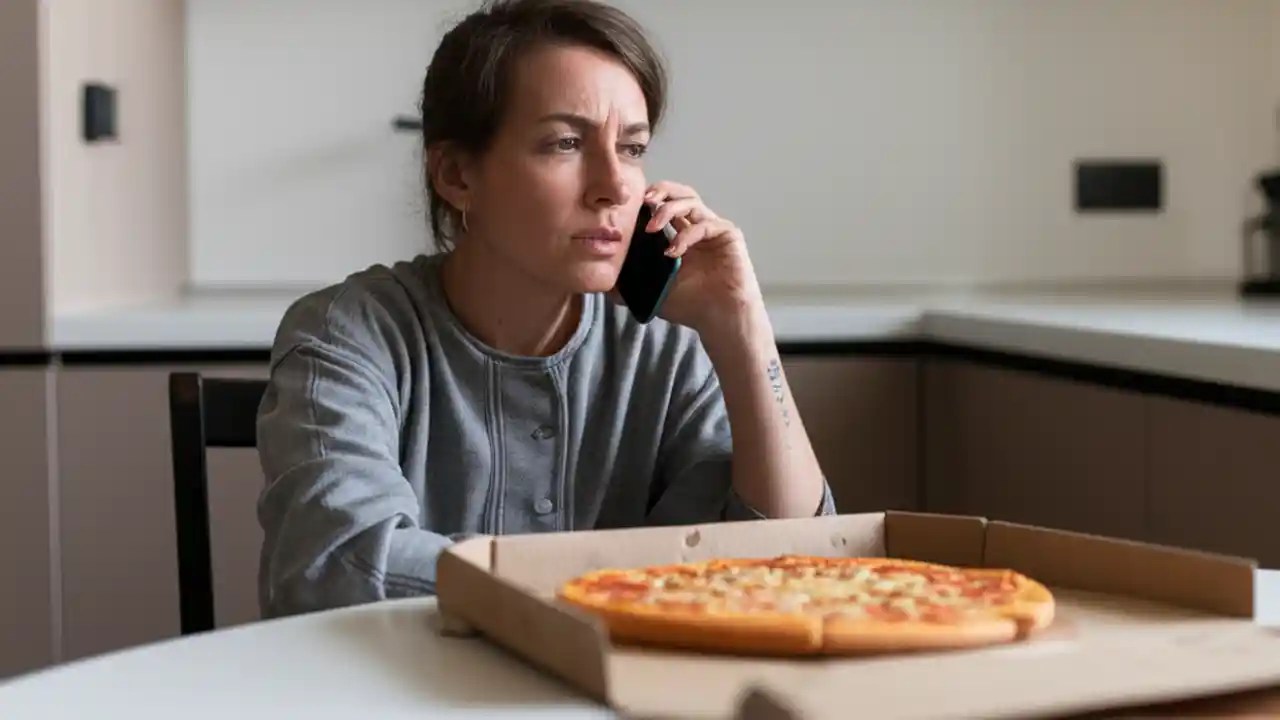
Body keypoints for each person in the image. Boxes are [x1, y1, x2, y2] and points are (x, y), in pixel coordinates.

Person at [255, 0, 835, 619]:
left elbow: (794, 563)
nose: (614, 185)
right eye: (564, 143)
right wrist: (628, 587)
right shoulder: (347, 334)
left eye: (633, 149)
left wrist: (742, 325)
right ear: (456, 174)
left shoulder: (669, 344)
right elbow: (341, 565)